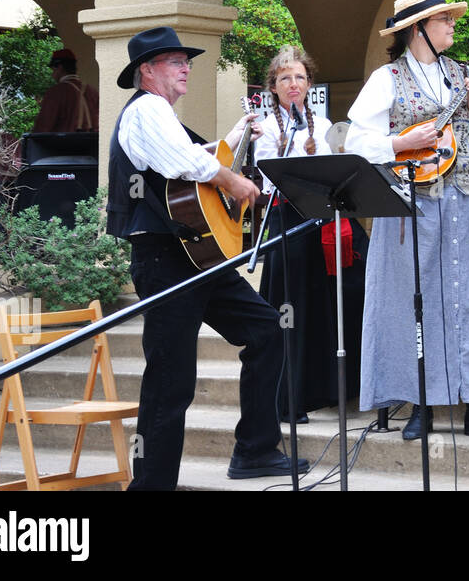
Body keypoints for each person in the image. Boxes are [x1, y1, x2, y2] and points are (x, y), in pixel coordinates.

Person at [105, 26, 307, 489]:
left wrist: (238, 136)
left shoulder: (165, 117)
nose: (186, 68)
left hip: (198, 255)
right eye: (176, 61)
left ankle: (255, 450)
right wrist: (234, 183)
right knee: (171, 379)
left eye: (187, 61)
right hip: (164, 257)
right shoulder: (147, 110)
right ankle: (151, 485)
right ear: (147, 70)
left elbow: (197, 157)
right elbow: (185, 165)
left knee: (265, 329)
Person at [345, 0, 469, 441]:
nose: (452, 25)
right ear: (418, 28)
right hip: (413, 202)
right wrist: (401, 143)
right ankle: (420, 403)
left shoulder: (462, 76)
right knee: (413, 298)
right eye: (444, 19)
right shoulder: (386, 78)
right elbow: (355, 140)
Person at [255, 46, 366, 424]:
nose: (293, 84)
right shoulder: (267, 127)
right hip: (289, 221)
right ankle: (290, 396)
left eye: (300, 77)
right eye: (285, 78)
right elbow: (269, 177)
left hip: (323, 218)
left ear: (309, 84)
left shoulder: (321, 121)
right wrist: (292, 148)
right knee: (293, 308)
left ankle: (342, 387)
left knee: (339, 298)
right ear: (274, 85)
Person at [32, 48, 99, 133]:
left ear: (59, 67)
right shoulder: (92, 92)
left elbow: (43, 127)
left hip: (64, 145)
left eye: (53, 69)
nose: (52, 74)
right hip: (92, 145)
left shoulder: (56, 92)